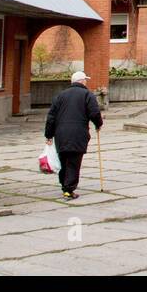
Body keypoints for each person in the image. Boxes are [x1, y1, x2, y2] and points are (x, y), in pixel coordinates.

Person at [44, 70, 103, 200]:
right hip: (78, 134)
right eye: (85, 80)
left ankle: (65, 185)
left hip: (61, 134)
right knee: (74, 162)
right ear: (82, 81)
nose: (86, 82)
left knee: (64, 161)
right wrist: (98, 124)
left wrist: (49, 135)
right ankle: (68, 189)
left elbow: (51, 117)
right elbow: (94, 112)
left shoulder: (60, 96)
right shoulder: (87, 94)